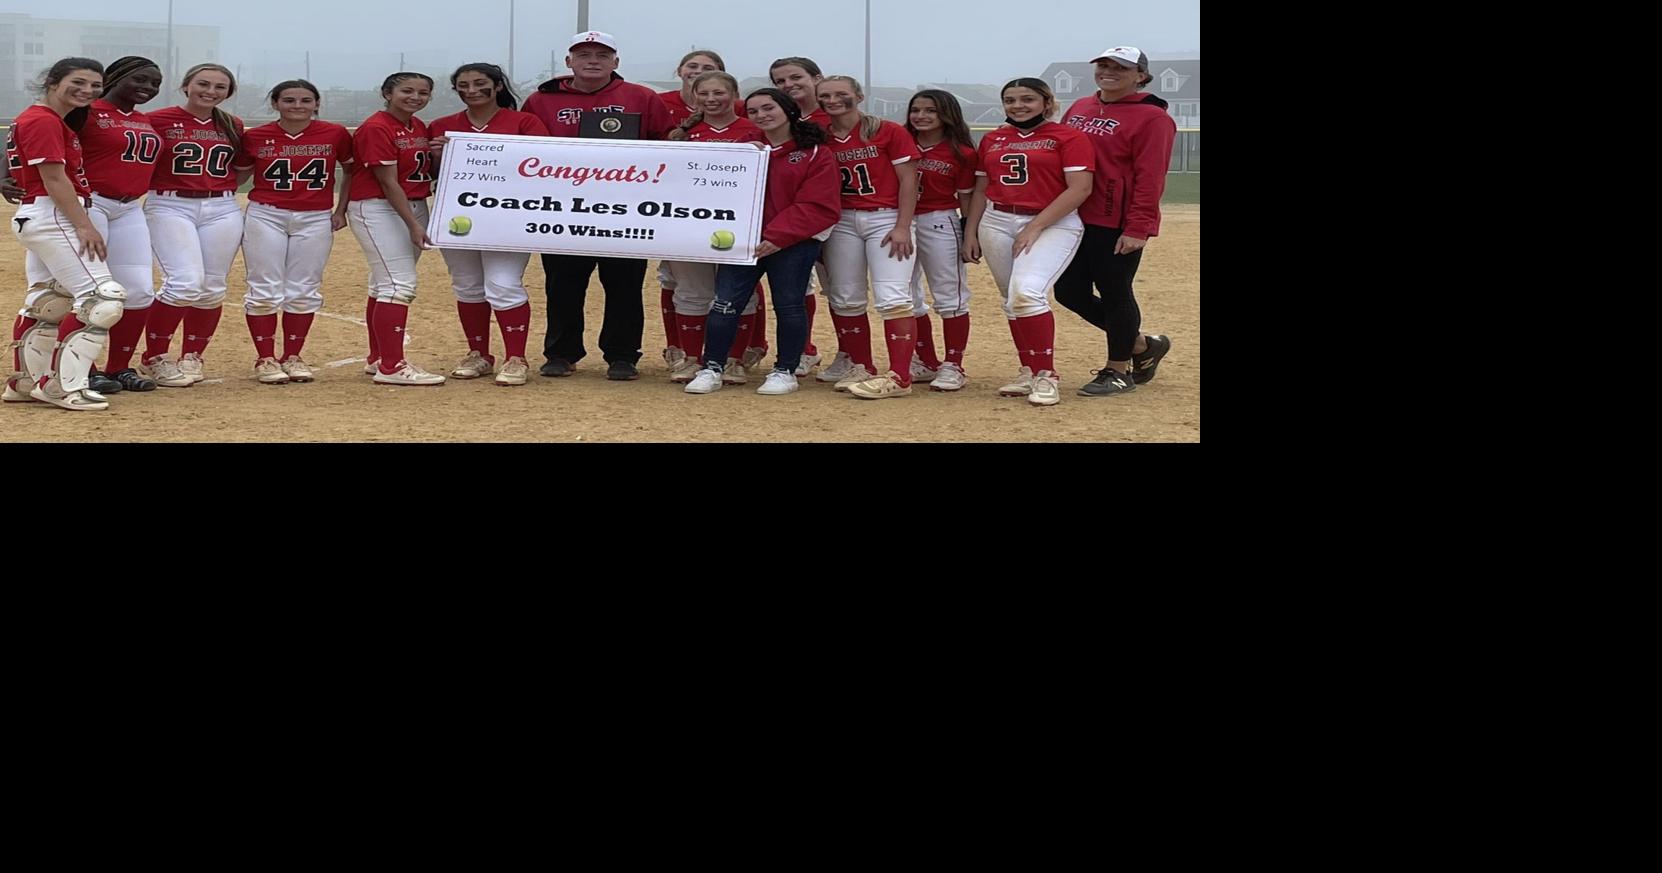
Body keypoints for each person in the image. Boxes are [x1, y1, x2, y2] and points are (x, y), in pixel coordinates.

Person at [4, 55, 163, 395]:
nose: (87, 90)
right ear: (53, 82)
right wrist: (83, 224)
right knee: (86, 297)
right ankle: (71, 380)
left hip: (110, 207)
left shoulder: (64, 117)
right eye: (78, 82)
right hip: (73, 208)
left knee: (122, 291)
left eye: (93, 85)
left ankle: (40, 379)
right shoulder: (65, 116)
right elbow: (45, 166)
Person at [520, 30, 673, 381]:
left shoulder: (641, 97)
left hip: (625, 210)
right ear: (568, 61)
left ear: (615, 62)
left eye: (602, 55)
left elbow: (666, 146)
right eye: (584, 54)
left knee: (624, 285)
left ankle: (622, 355)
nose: (593, 60)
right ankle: (561, 353)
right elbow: (522, 147)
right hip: (561, 207)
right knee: (562, 284)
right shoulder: (541, 100)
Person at [682, 88, 839, 396]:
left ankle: (785, 370)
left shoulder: (816, 152)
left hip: (792, 242)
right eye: (753, 111)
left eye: (768, 108)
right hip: (743, 243)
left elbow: (818, 205)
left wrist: (776, 237)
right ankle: (713, 366)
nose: (761, 115)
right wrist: (739, 156)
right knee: (725, 304)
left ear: (787, 109)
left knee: (790, 304)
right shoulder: (745, 148)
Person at [962, 78, 1095, 407]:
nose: (1017, 106)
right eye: (1010, 100)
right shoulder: (994, 138)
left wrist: (1035, 226)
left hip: (1052, 221)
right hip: (997, 219)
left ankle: (1046, 375)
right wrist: (970, 232)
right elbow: (981, 189)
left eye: (1027, 99)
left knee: (1027, 294)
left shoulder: (1068, 136)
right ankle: (1029, 369)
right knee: (1011, 299)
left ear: (1047, 102)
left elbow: (1079, 189)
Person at [1057, 46, 1176, 397]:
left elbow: (1150, 176)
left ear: (1140, 75)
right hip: (1074, 215)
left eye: (1121, 68)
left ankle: (1118, 370)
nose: (1109, 72)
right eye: (1104, 65)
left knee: (1115, 292)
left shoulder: (1154, 118)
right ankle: (1141, 346)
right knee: (1069, 292)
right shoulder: (1080, 106)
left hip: (1115, 219)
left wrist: (1138, 227)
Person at [427, 62, 550, 387]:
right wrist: (437, 155)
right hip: (458, 216)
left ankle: (516, 357)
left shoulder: (524, 122)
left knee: (503, 283)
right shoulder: (443, 126)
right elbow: (433, 175)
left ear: (497, 86)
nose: (471, 90)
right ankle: (478, 353)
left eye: (480, 83)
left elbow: (544, 168)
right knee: (467, 285)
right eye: (463, 85)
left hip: (509, 216)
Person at [810, 76, 924, 401]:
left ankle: (901, 376)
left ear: (858, 96)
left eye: (841, 94)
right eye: (826, 96)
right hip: (843, 219)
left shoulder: (886, 130)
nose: (833, 100)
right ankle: (861, 365)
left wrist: (903, 225)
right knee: (845, 296)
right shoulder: (820, 136)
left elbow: (908, 180)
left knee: (893, 296)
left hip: (885, 216)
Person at [235, 79, 355, 385]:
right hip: (267, 214)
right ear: (275, 103)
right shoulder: (257, 136)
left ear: (316, 104)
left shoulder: (335, 133)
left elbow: (351, 170)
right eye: (289, 100)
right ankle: (265, 358)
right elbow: (239, 173)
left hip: (314, 216)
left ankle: (292, 355)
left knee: (304, 288)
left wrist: (340, 209)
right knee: (263, 287)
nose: (297, 106)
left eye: (305, 100)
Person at [139, 62, 246, 388]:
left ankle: (193, 355)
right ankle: (153, 357)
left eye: (219, 87)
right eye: (203, 83)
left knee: (212, 286)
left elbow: (240, 170)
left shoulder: (232, 124)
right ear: (186, 86)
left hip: (222, 205)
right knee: (184, 282)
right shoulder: (156, 120)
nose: (210, 91)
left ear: (228, 93)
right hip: (170, 203)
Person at [662, 70, 768, 385]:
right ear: (694, 97)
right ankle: (692, 358)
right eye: (704, 93)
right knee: (692, 292)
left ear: (734, 94)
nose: (711, 99)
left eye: (719, 93)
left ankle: (733, 360)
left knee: (739, 294)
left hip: (742, 224)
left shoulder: (754, 130)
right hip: (689, 223)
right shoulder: (681, 134)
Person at [348, 71, 444, 386]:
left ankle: (377, 357)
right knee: (399, 285)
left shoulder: (417, 125)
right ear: (387, 93)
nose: (415, 97)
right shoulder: (377, 127)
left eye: (423, 92)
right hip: (378, 206)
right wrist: (414, 224)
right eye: (407, 91)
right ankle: (392, 365)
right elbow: (388, 183)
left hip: (412, 203)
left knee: (383, 284)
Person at [653, 49, 726, 370]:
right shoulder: (660, 102)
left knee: (737, 281)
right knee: (673, 279)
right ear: (679, 70)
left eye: (708, 68)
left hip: (726, 211)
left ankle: (750, 346)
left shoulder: (737, 110)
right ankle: (678, 347)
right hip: (677, 207)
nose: (698, 71)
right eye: (692, 66)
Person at [903, 89, 978, 392]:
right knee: (905, 293)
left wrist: (969, 235)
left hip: (940, 219)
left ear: (946, 114)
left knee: (949, 294)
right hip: (901, 221)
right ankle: (925, 360)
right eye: (916, 110)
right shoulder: (902, 143)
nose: (921, 116)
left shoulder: (961, 152)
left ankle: (953, 364)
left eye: (930, 110)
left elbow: (968, 199)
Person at [768, 56, 831, 375]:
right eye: (780, 81)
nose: (788, 85)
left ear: (817, 78)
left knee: (839, 290)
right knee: (801, 284)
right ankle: (805, 349)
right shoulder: (775, 116)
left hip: (836, 209)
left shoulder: (831, 113)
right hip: (795, 213)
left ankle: (849, 354)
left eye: (796, 77)